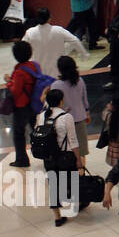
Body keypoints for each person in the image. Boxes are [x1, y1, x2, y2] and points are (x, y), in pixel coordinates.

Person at [37, 89, 82, 227]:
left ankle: (57, 217)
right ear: (61, 101)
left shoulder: (42, 116)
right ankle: (77, 204)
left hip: (48, 157)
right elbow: (73, 141)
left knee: (54, 185)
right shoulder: (66, 117)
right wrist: (78, 159)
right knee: (72, 181)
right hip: (65, 156)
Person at [23, 9, 86, 79]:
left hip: (39, 75)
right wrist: (83, 54)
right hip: (57, 73)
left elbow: (22, 48)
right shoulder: (58, 30)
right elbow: (75, 40)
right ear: (49, 18)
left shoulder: (30, 32)